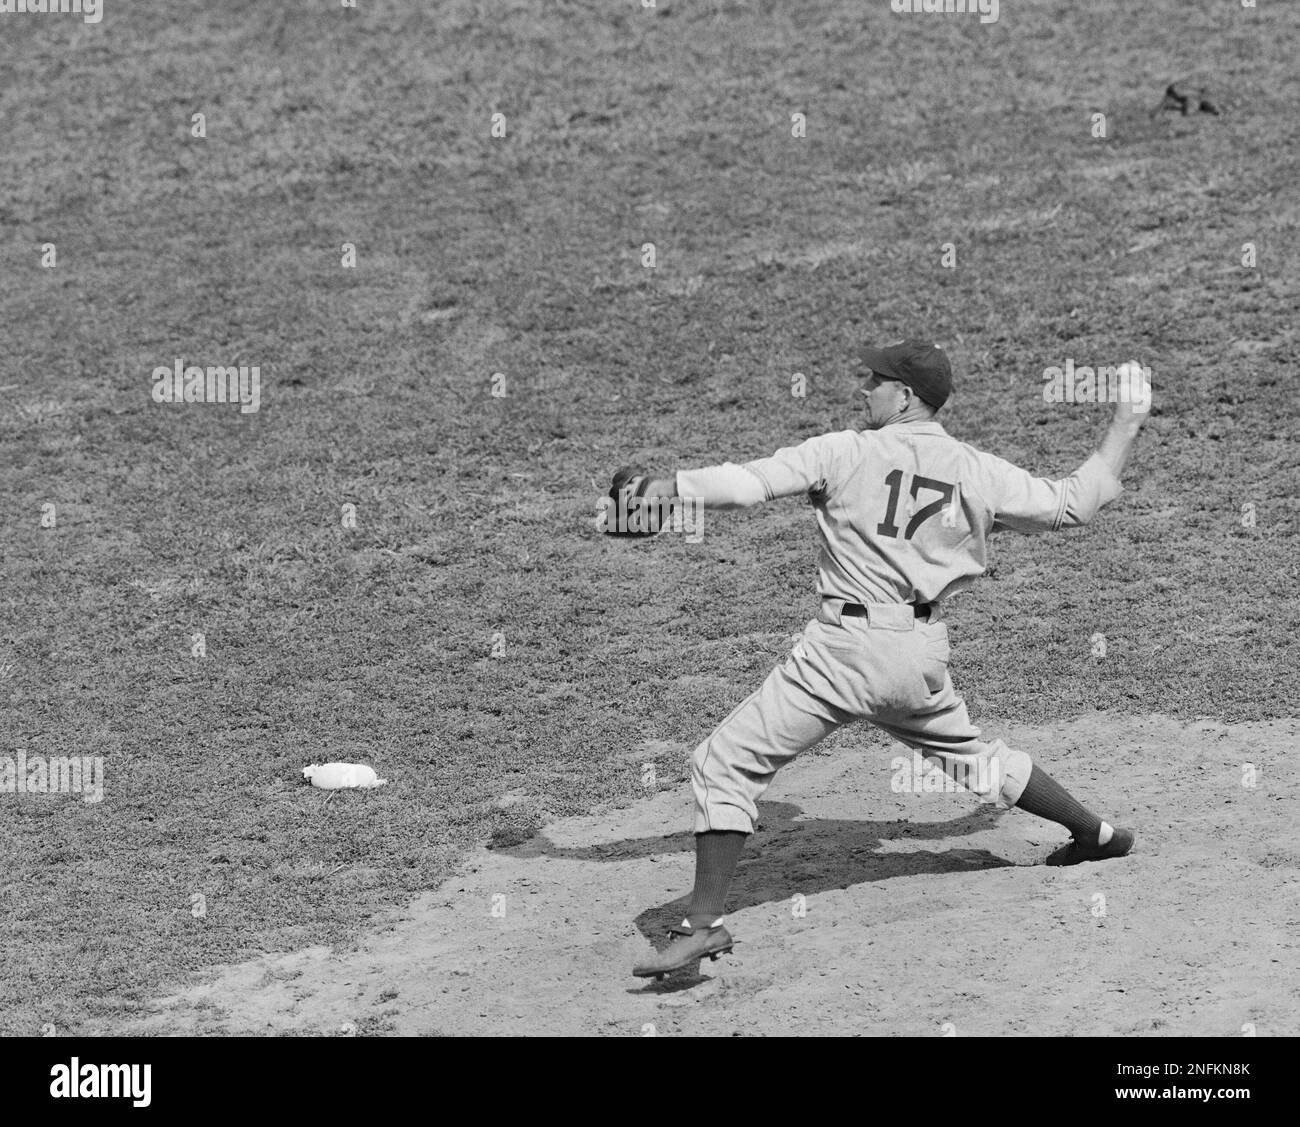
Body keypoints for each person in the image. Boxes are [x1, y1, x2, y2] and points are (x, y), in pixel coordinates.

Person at [604, 340, 1151, 980]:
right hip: (917, 656)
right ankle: (1097, 834)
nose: (864, 389)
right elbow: (1072, 504)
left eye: (875, 380)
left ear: (905, 396)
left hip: (843, 653)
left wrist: (666, 490)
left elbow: (746, 488)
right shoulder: (977, 469)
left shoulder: (845, 450)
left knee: (723, 763)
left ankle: (704, 929)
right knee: (977, 760)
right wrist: (1127, 420)